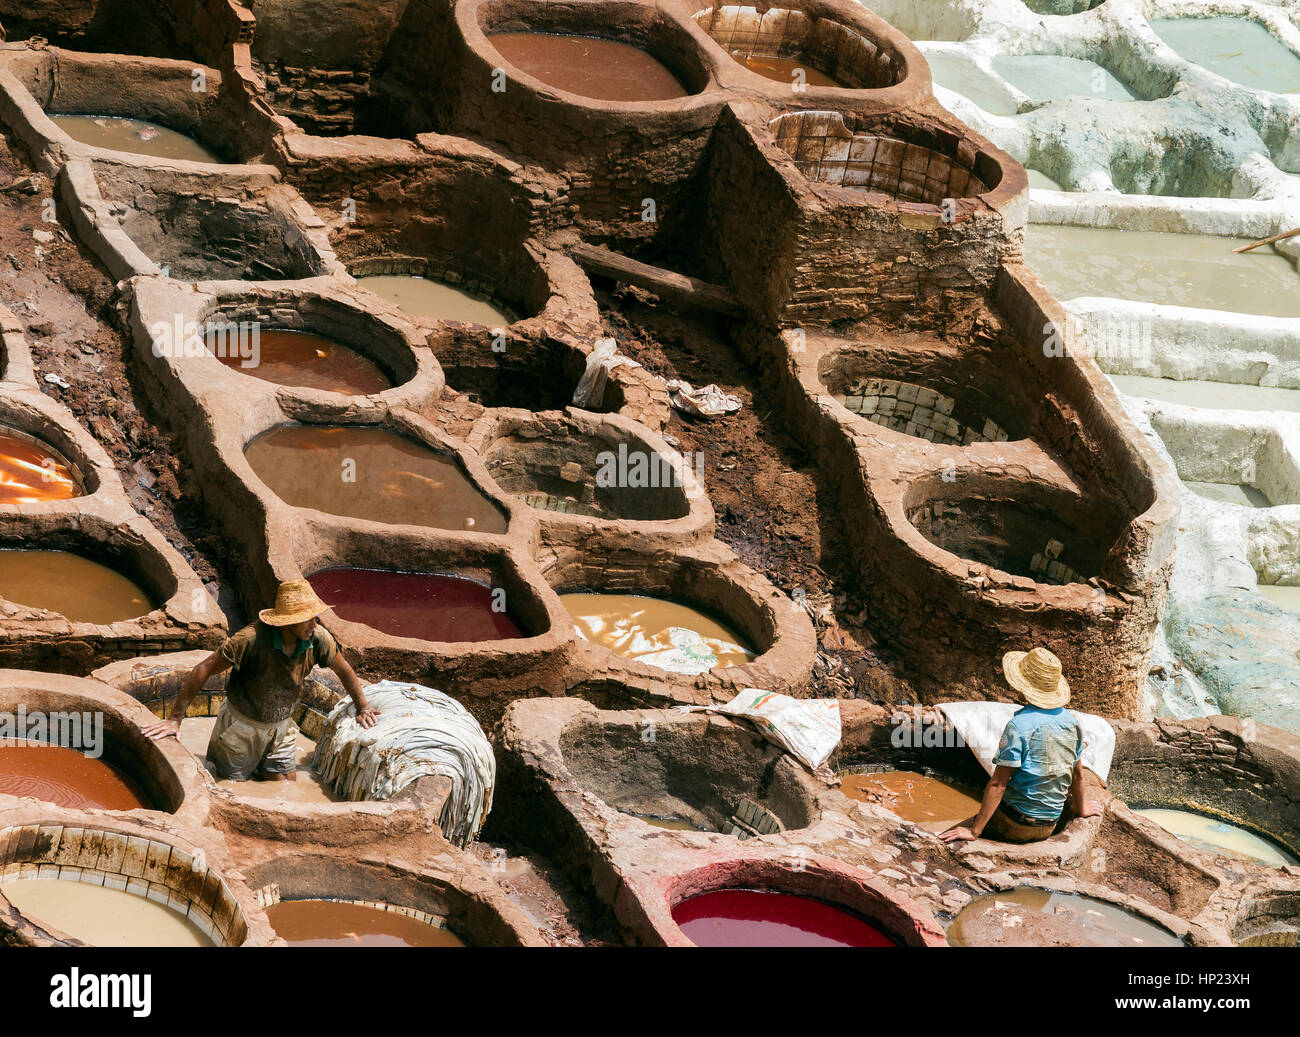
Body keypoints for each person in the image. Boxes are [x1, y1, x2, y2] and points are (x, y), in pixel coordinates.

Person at [143, 579, 378, 781]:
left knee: (283, 785)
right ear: (289, 621)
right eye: (308, 619)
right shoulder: (250, 639)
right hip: (241, 728)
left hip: (281, 726)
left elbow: (344, 670)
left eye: (314, 618)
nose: (314, 624)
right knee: (232, 785)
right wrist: (175, 719)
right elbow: (202, 670)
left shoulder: (317, 639)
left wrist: (363, 706)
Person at [941, 646, 1102, 844]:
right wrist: (1081, 808)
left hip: (1016, 823)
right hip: (1049, 824)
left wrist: (974, 830)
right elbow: (1076, 774)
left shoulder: (1018, 726)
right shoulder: (1073, 723)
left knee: (947, 834)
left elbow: (998, 784)